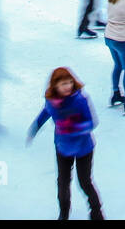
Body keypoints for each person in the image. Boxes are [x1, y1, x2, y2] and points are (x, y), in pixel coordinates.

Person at [27, 67, 104, 220]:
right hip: (63, 147)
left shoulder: (80, 100)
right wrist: (35, 126)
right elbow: (46, 112)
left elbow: (92, 123)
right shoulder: (51, 102)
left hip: (83, 148)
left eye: (69, 82)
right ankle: (64, 213)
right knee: (63, 182)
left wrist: (72, 128)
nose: (68, 86)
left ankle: (96, 212)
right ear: (55, 86)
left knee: (85, 182)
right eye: (63, 84)